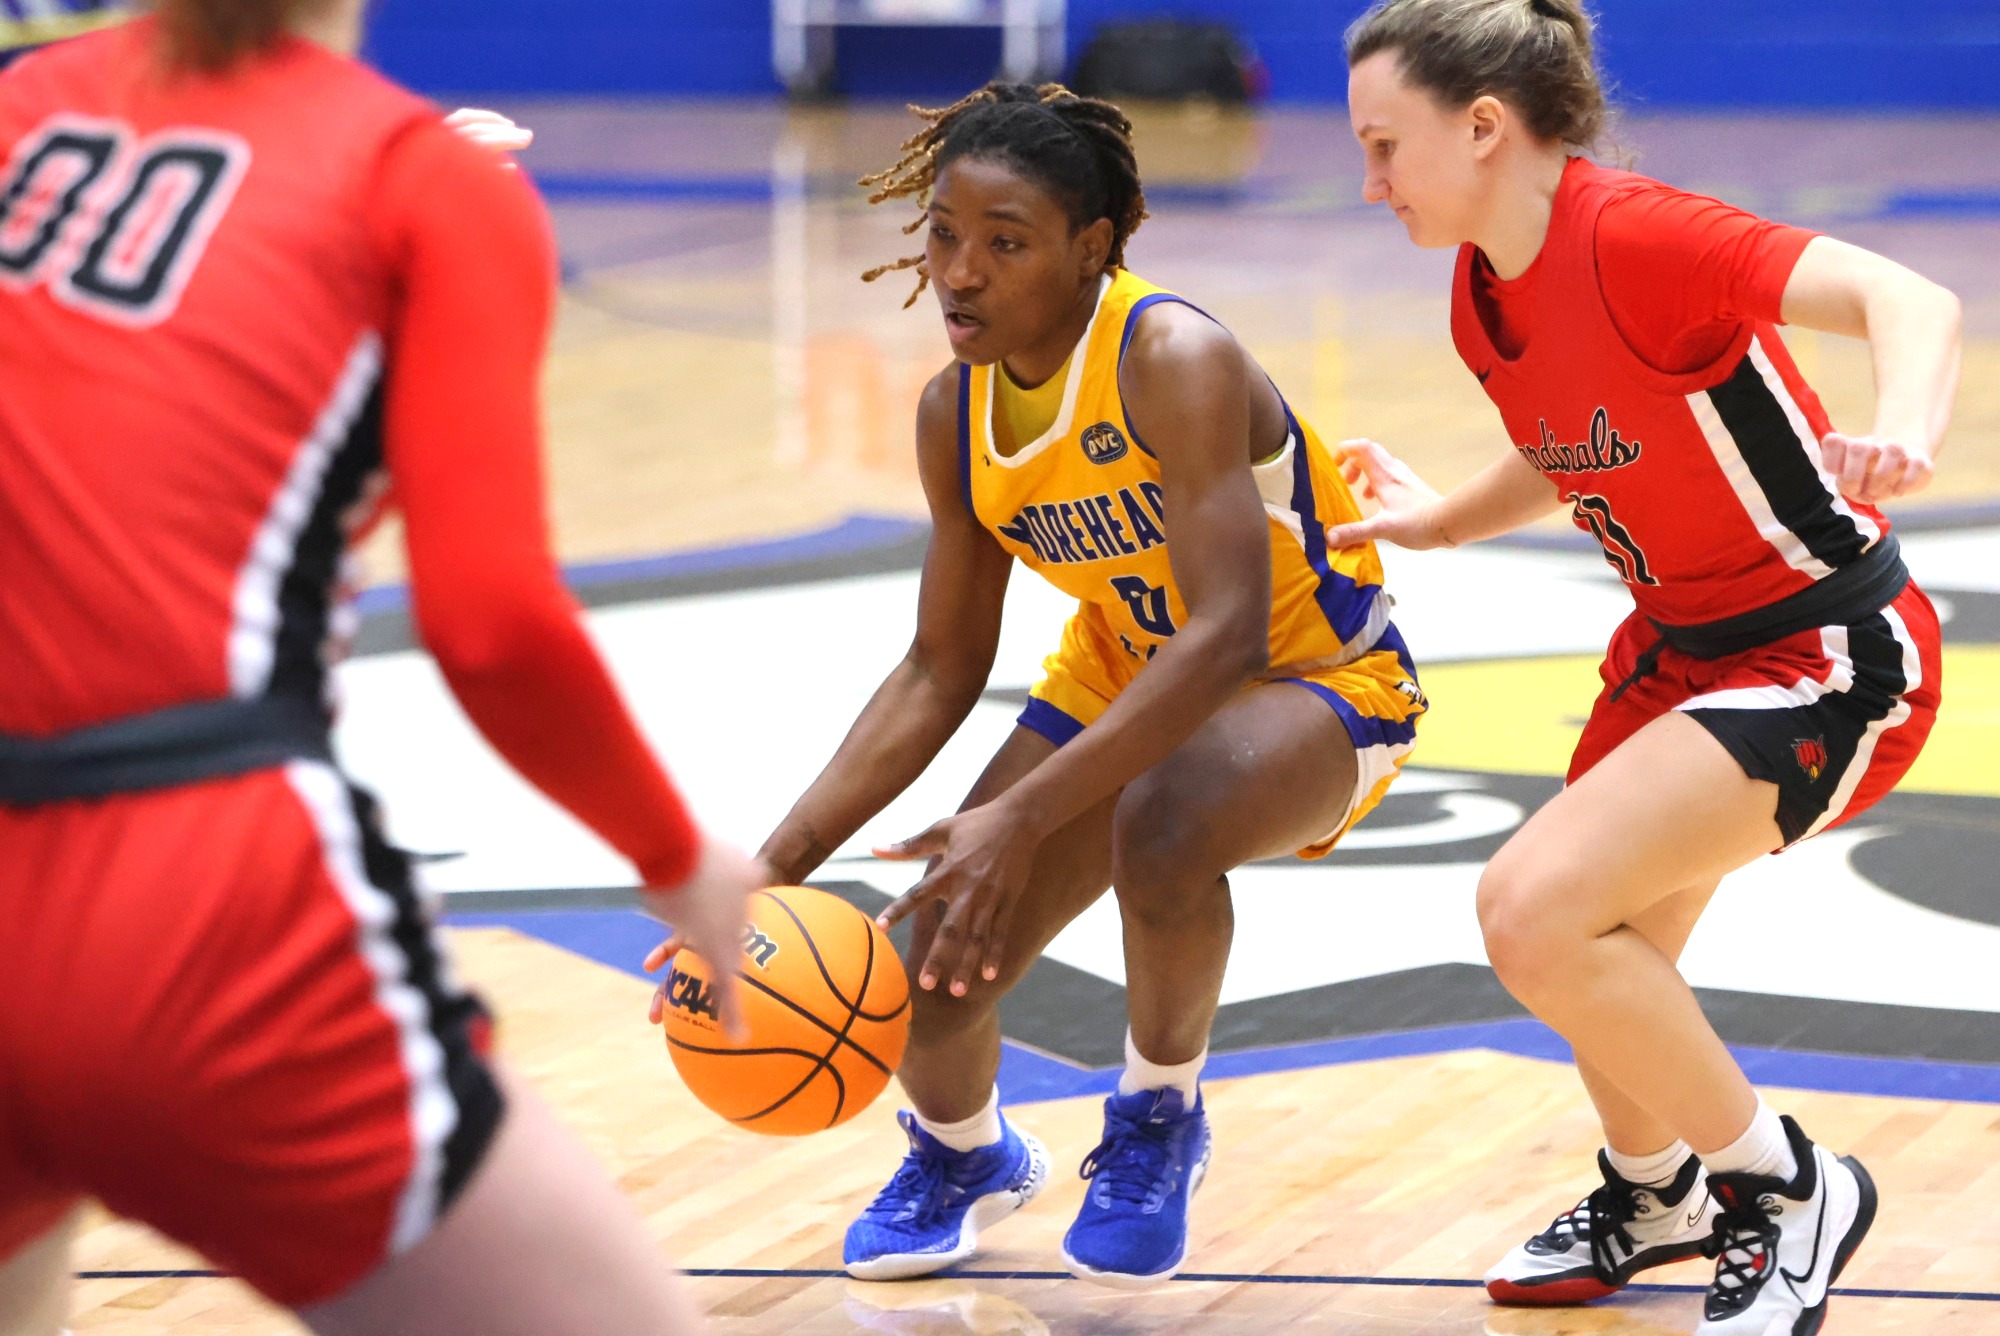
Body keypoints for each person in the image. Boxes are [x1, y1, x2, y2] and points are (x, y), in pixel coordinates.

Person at [0, 2, 763, 1332]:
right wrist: (673, 854)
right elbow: (492, 623)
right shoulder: (420, 187)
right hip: (189, 901)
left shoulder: (20, 107)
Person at [1333, 2, 1958, 1331]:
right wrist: (1442, 520)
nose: (1370, 180)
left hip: (1825, 645)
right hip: (1676, 650)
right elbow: (1581, 441)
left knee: (1533, 912)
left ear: (1484, 126)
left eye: (1387, 146)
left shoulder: (1638, 233)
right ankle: (1653, 1192)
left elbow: (1910, 296)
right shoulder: (1481, 287)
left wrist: (1902, 429)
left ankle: (1788, 1190)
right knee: (1598, 960)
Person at [744, 82, 1427, 1288]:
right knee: (932, 973)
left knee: (1160, 825)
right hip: (1121, 673)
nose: (960, 271)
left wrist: (1019, 813)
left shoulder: (1173, 355)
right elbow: (939, 664)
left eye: (1004, 243)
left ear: (1089, 247)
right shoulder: (955, 412)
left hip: (1318, 677)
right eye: (944, 234)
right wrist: (771, 865)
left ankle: (1157, 1114)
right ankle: (963, 1154)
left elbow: (1220, 640)